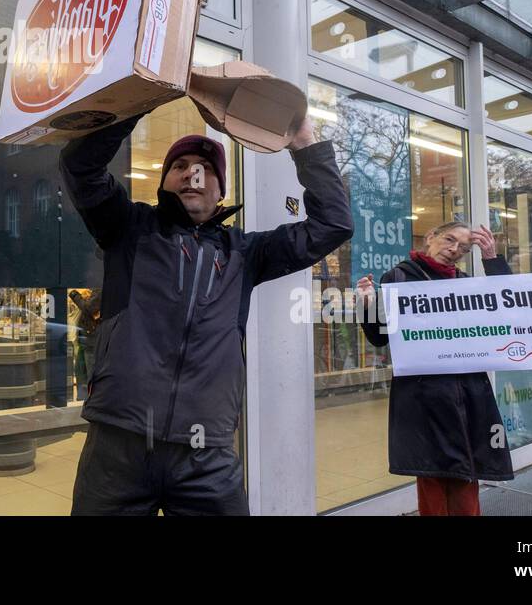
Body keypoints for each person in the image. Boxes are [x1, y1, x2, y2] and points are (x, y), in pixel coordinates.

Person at [61, 113, 353, 515]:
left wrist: (305, 146)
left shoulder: (246, 252)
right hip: (118, 450)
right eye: (179, 167)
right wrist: (138, 103)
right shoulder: (129, 228)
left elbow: (333, 224)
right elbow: (80, 166)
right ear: (164, 182)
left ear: (220, 191)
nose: (191, 175)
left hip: (207, 457)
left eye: (204, 169)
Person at [356, 222, 515, 516]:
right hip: (424, 395)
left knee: (468, 472)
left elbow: (507, 306)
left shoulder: (465, 282)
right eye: (449, 240)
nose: (454, 250)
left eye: (464, 248)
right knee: (432, 475)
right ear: (431, 237)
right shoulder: (399, 277)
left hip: (468, 392)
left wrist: (492, 258)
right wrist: (366, 304)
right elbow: (379, 337)